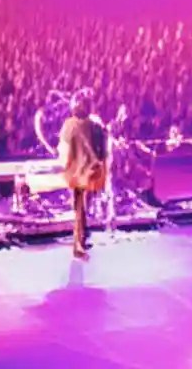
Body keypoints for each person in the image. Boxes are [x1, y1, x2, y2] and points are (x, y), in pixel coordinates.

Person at [58, 93, 108, 259]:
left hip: (76, 171)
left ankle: (79, 243)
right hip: (92, 170)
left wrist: (64, 165)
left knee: (79, 206)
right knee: (81, 205)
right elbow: (103, 148)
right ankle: (82, 237)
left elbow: (63, 149)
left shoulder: (69, 125)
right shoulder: (95, 125)